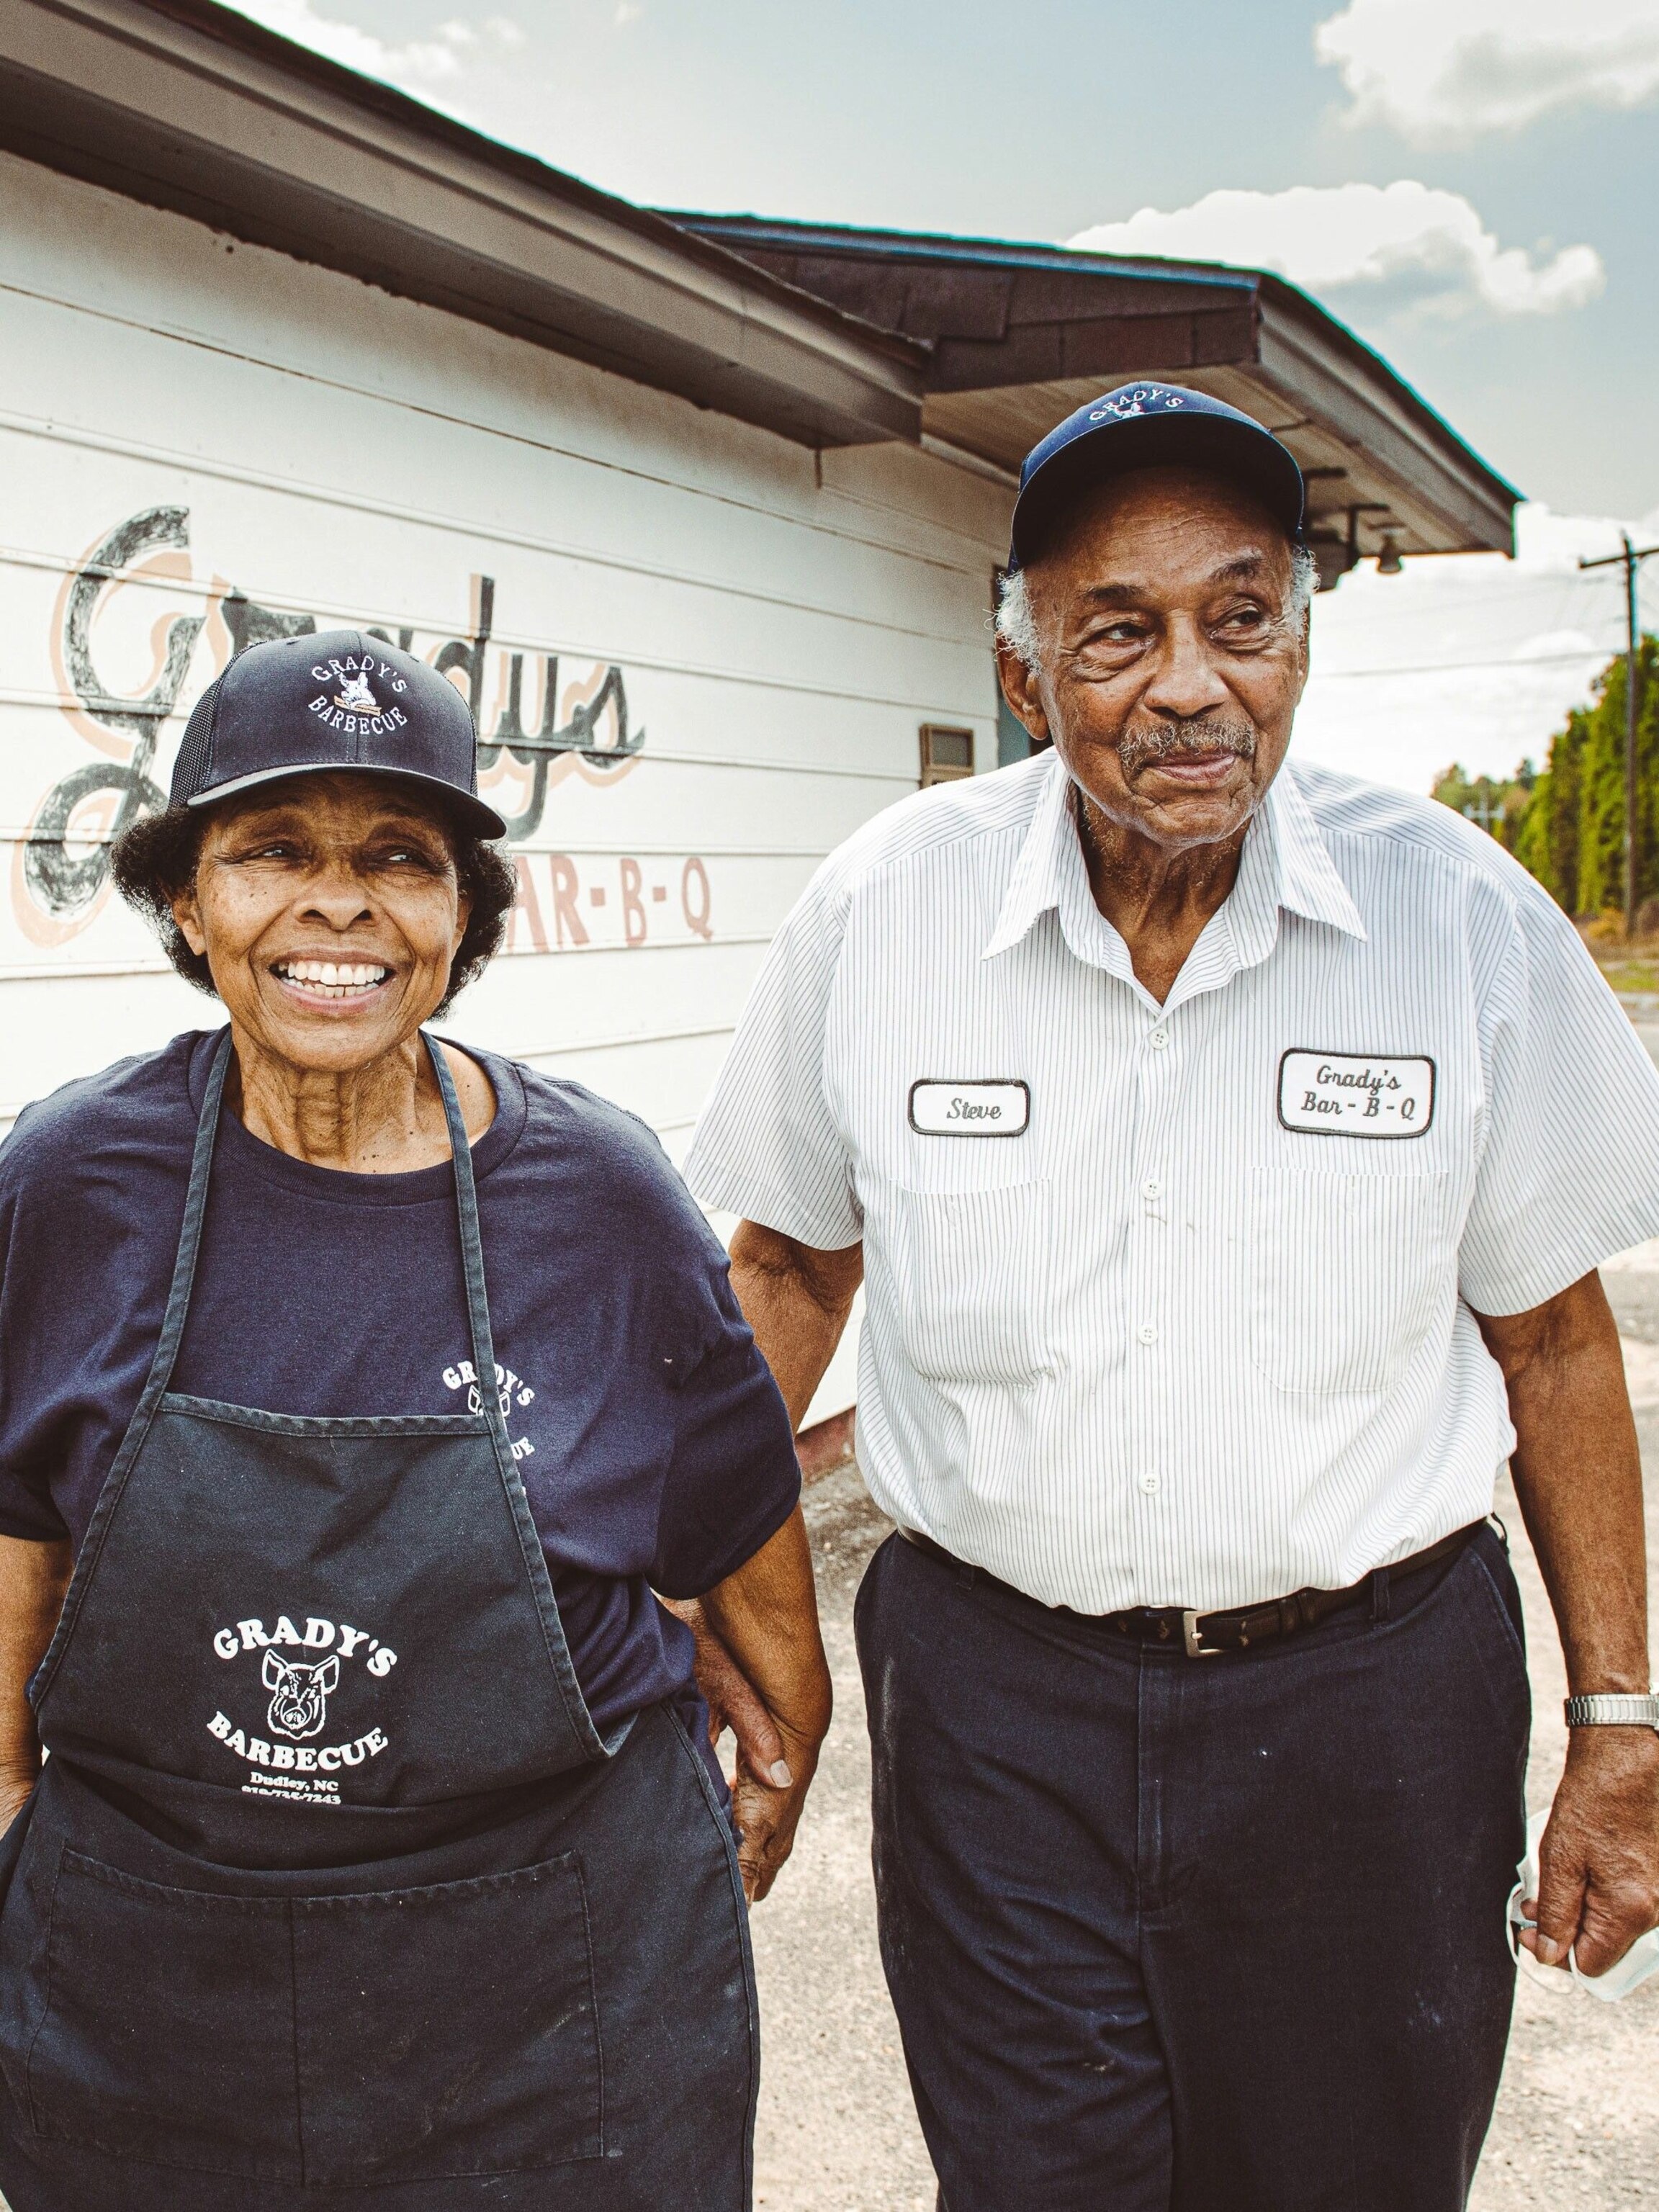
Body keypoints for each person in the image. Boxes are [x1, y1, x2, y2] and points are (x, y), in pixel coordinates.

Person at [685, 385, 1659, 2211]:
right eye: (1118, 632)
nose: (1192, 684)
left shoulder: (1457, 915)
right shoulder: (883, 910)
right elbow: (791, 1270)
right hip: (996, 1701)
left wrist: (1619, 1718)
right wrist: (686, 1593)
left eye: (1242, 615)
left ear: (1299, 637)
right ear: (1026, 672)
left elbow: (1553, 1335)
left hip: (1371, 1706)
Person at [0, 631, 831, 2211]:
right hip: (157, 1994)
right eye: (271, 852)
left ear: (464, 913)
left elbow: (736, 1518)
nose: (339, 906)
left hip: (545, 1995)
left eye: (403, 856)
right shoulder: (68, 1179)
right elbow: (16, 1526)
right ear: (188, 900)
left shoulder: (599, 1194)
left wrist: (781, 1743)